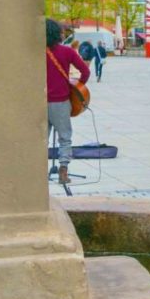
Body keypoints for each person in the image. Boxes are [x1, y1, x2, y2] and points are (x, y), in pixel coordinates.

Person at [45, 18, 89, 187]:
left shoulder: (35, 54)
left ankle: (38, 172)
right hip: (61, 102)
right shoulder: (67, 52)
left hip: (40, 102)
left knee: (42, 140)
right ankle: (63, 171)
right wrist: (77, 86)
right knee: (65, 138)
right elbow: (85, 71)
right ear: (58, 33)